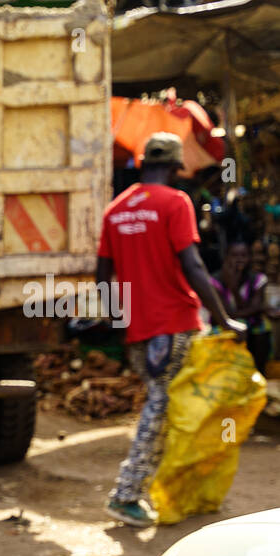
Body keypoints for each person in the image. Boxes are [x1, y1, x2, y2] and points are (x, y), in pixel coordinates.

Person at [97, 132, 240, 528]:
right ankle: (125, 495)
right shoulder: (175, 203)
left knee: (167, 405)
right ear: (177, 168)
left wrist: (120, 320)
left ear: (144, 164)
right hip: (173, 324)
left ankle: (173, 489)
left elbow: (103, 276)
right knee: (162, 406)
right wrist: (224, 318)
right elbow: (193, 266)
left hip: (139, 330)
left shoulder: (115, 210)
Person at [210, 239, 274, 374]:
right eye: (234, 255)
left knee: (262, 328)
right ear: (226, 258)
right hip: (223, 324)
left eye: (243, 255)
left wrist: (234, 290)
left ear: (250, 258)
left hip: (248, 324)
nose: (239, 260)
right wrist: (257, 308)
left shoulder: (258, 279)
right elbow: (224, 313)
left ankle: (259, 372)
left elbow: (252, 310)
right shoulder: (215, 281)